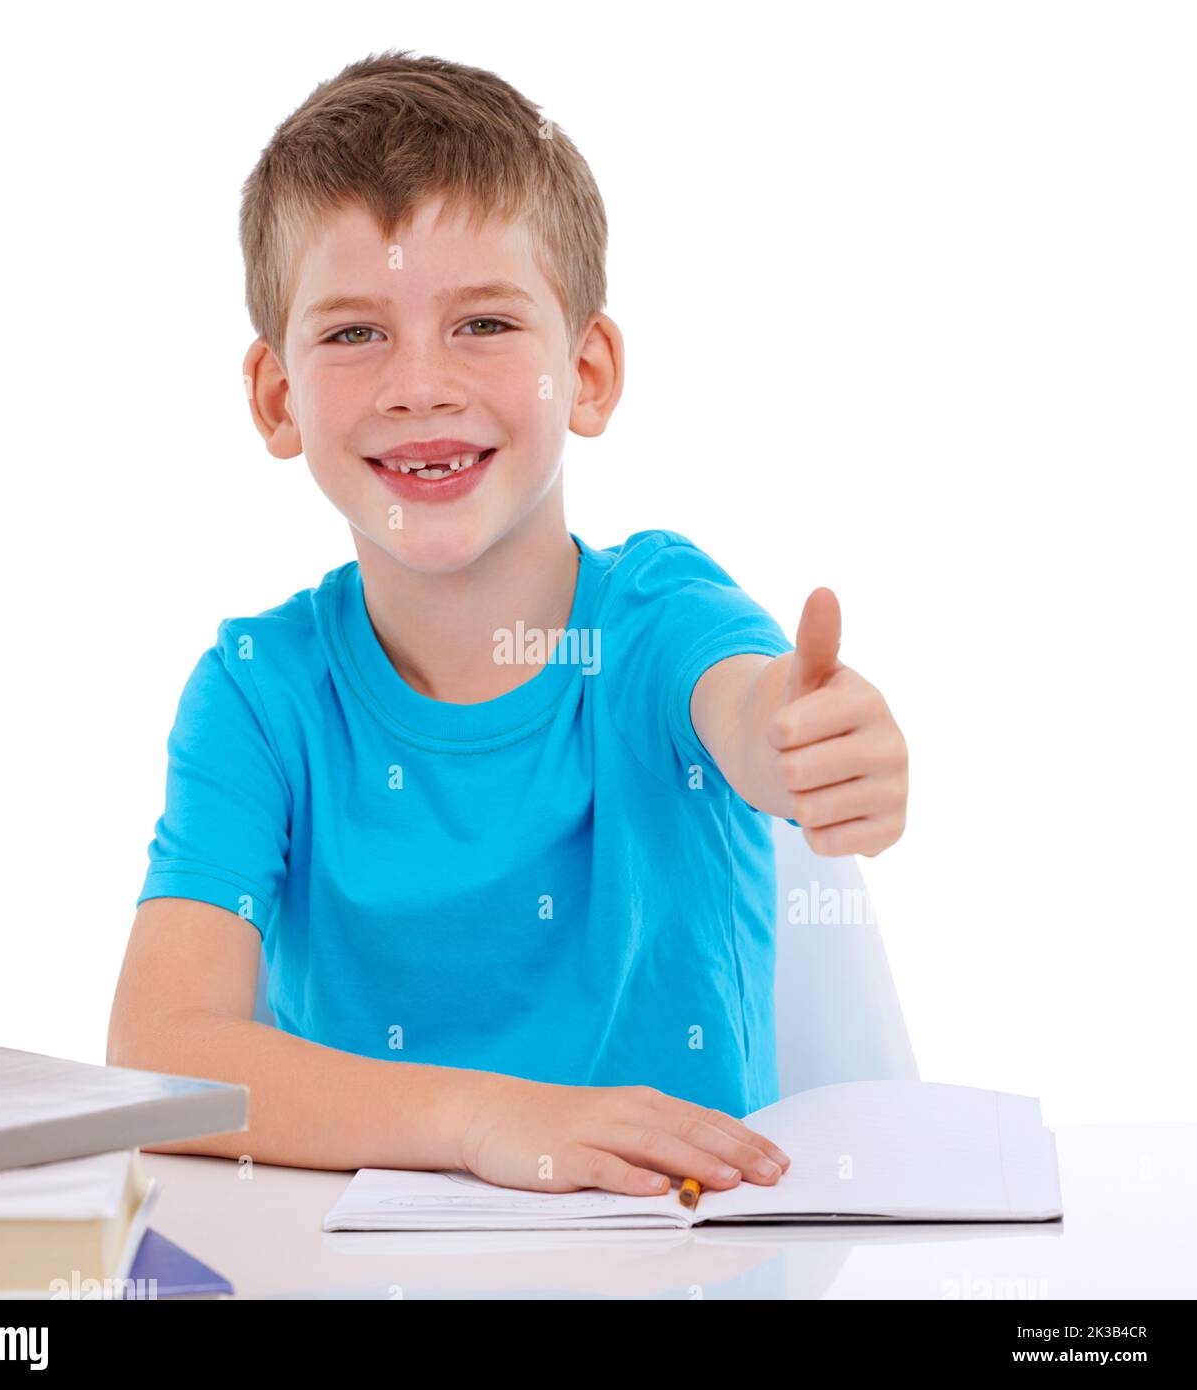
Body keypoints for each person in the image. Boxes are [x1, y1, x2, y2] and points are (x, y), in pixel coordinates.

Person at [108, 50, 908, 1199]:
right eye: (352, 334)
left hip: (677, 1269)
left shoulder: (656, 617)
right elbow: (159, 1056)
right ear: (278, 398)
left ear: (585, 373)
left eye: (482, 322)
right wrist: (491, 1120)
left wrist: (808, 743)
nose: (418, 384)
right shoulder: (255, 692)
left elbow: (745, 706)